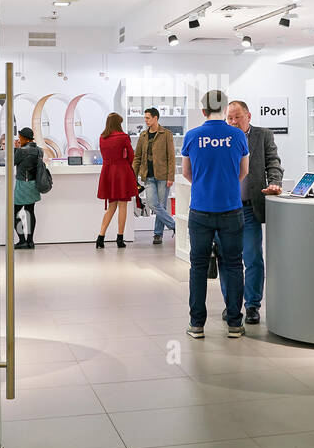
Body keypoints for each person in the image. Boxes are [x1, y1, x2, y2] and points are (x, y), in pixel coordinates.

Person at [182, 90, 251, 339]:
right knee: (233, 265)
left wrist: (204, 184)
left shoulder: (192, 136)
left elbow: (187, 173)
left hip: (200, 209)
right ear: (224, 110)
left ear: (203, 111)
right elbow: (243, 171)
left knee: (198, 267)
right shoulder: (238, 135)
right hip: (231, 209)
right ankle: (234, 323)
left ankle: (196, 325)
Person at [217, 100, 283, 325]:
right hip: (225, 208)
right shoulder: (222, 138)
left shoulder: (262, 135)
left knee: (253, 257)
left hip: (249, 208)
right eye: (229, 118)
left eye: (237, 117)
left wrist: (274, 182)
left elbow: (273, 162)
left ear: (249, 116)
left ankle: (252, 305)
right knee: (226, 259)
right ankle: (231, 305)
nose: (233, 122)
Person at [132, 107, 176, 245]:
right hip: (148, 176)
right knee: (153, 204)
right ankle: (175, 226)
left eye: (147, 118)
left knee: (161, 205)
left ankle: (158, 234)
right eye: (145, 118)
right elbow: (137, 156)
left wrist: (171, 177)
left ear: (155, 118)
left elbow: (171, 157)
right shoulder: (143, 135)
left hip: (163, 176)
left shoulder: (166, 134)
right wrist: (133, 174)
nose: (145, 120)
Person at [96, 113, 135, 248]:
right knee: (122, 205)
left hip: (107, 172)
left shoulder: (102, 137)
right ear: (118, 123)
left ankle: (100, 237)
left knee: (111, 207)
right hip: (122, 172)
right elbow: (131, 155)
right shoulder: (123, 137)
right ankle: (120, 238)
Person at [13, 126, 43, 250]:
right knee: (30, 212)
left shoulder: (22, 151)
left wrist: (16, 148)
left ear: (25, 138)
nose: (19, 139)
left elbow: (13, 162)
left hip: (23, 184)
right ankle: (30, 242)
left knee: (14, 213)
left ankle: (22, 240)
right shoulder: (40, 150)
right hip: (33, 184)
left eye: (20, 137)